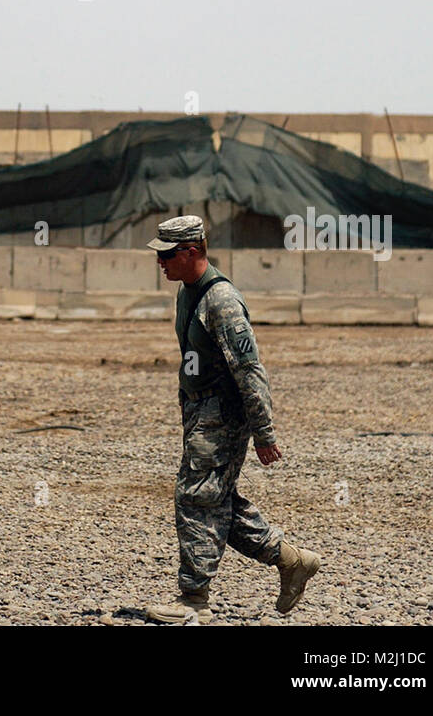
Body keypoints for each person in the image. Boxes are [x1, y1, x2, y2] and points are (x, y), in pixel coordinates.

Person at [144, 215, 320, 624]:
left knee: (195, 497)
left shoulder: (220, 301)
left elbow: (249, 369)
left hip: (222, 415)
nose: (161, 262)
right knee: (216, 500)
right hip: (200, 413)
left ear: (191, 253)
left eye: (168, 255)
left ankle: (194, 601)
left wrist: (264, 432)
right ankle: (292, 560)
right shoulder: (188, 293)